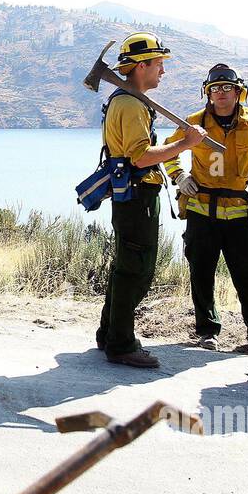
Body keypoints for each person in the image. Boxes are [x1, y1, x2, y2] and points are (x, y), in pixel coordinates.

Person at [96, 32, 205, 369]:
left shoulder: (129, 100)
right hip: (137, 195)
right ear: (141, 66)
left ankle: (110, 333)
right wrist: (186, 145)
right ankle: (122, 344)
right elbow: (141, 157)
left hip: (133, 195)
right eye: (158, 63)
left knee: (126, 264)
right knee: (137, 268)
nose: (162, 70)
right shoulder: (129, 104)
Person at [164, 64, 248, 352]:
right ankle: (207, 331)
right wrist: (180, 176)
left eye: (227, 88)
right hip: (202, 211)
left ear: (239, 92)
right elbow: (168, 151)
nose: (221, 93)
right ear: (207, 93)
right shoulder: (193, 123)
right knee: (201, 273)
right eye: (215, 89)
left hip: (238, 211)